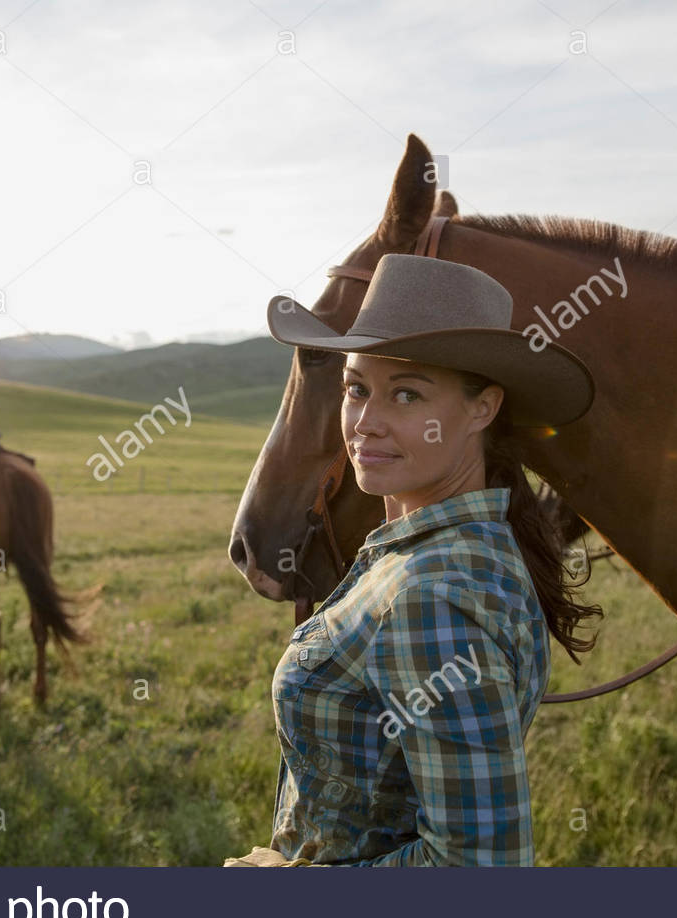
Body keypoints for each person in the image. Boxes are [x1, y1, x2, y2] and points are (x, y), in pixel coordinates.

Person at [226, 254, 601, 867]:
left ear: (483, 408)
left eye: (406, 393)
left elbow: (480, 873)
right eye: (356, 389)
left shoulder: (434, 594)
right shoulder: (439, 550)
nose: (365, 424)